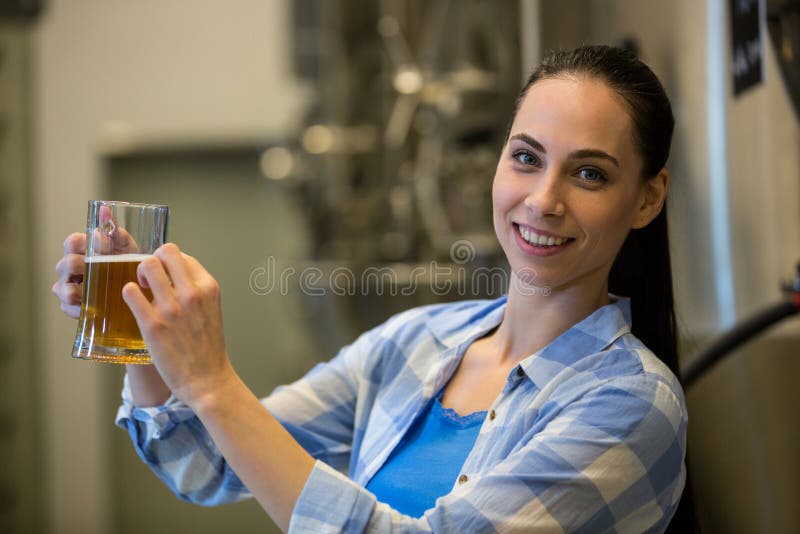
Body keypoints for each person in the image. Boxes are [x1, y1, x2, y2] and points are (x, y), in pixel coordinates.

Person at [53, 45, 691, 532]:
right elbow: (203, 464)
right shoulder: (416, 342)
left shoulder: (633, 406)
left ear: (647, 198)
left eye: (588, 173)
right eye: (526, 157)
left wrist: (214, 382)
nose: (543, 200)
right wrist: (143, 333)